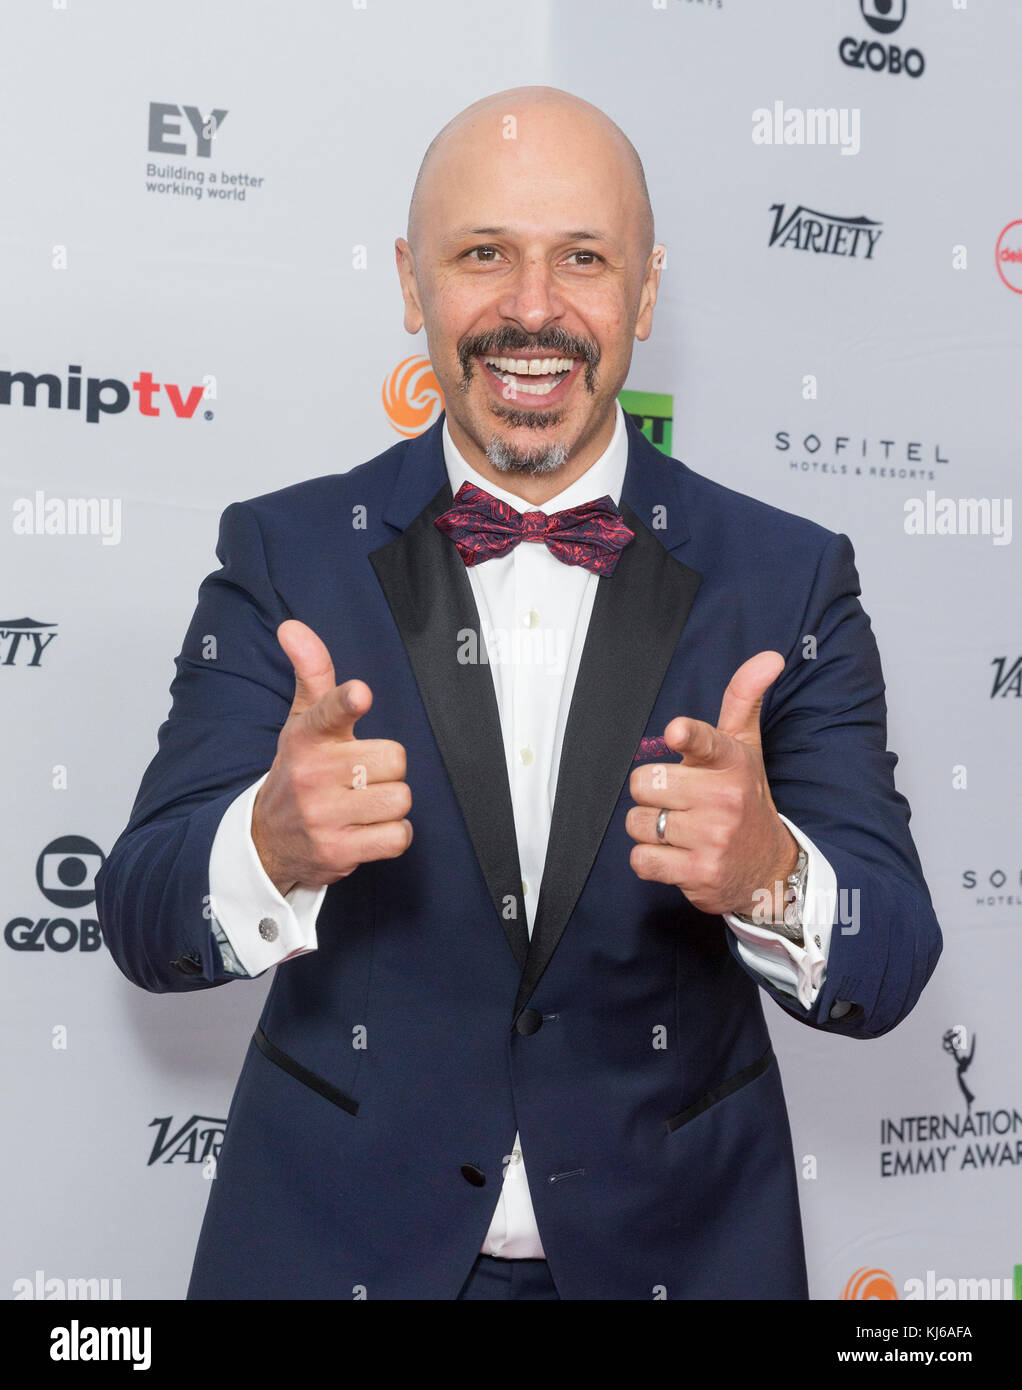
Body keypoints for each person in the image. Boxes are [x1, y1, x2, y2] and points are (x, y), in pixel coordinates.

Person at [96, 86, 942, 1300]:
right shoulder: (287, 554)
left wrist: (769, 871)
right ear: (409, 283)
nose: (531, 309)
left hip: (682, 1256)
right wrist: (266, 843)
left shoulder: (788, 576)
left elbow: (893, 958)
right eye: (482, 253)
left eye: (582, 259)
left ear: (645, 290)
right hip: (334, 1252)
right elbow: (140, 913)